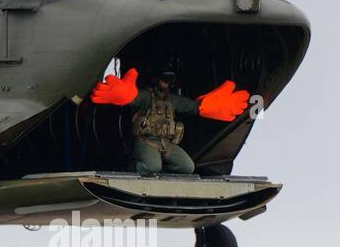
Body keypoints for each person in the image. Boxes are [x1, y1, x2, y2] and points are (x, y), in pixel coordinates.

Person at [89, 68, 249, 176]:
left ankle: (161, 173)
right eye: (163, 80)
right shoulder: (146, 96)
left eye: (168, 81)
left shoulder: (173, 100)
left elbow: (192, 106)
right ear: (156, 80)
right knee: (152, 167)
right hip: (146, 141)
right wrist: (126, 95)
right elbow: (134, 99)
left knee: (187, 167)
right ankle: (132, 170)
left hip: (166, 143)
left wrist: (207, 106)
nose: (166, 83)